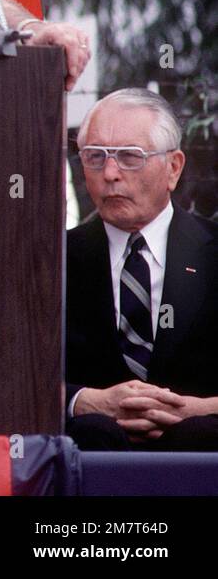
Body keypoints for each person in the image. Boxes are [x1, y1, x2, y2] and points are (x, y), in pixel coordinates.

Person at [65, 88, 218, 451]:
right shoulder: (50, 262)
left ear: (173, 167)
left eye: (130, 157)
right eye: (95, 157)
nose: (111, 173)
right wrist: (85, 402)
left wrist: (198, 410)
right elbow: (5, 385)